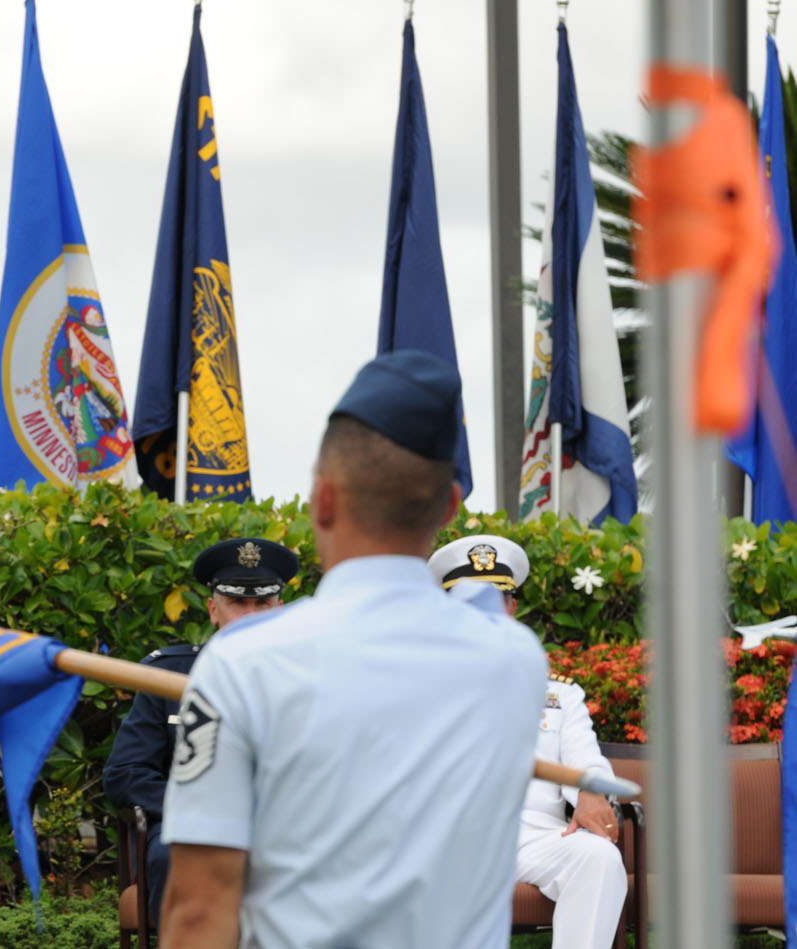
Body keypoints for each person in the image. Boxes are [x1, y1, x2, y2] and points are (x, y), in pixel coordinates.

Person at [159, 350, 549, 948]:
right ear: (449, 507)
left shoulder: (243, 664)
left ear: (322, 500)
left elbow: (199, 910)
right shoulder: (514, 660)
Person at [429, 534, 628, 949]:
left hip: (536, 835)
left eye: (496, 600)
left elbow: (585, 758)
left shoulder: (558, 694)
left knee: (599, 859)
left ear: (512, 608)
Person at [102, 536, 299, 929]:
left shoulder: (308, 679)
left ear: (280, 610)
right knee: (175, 858)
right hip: (192, 829)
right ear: (213, 610)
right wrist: (205, 810)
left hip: (283, 826)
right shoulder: (167, 676)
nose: (250, 614)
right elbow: (126, 776)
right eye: (237, 603)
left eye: (262, 603)